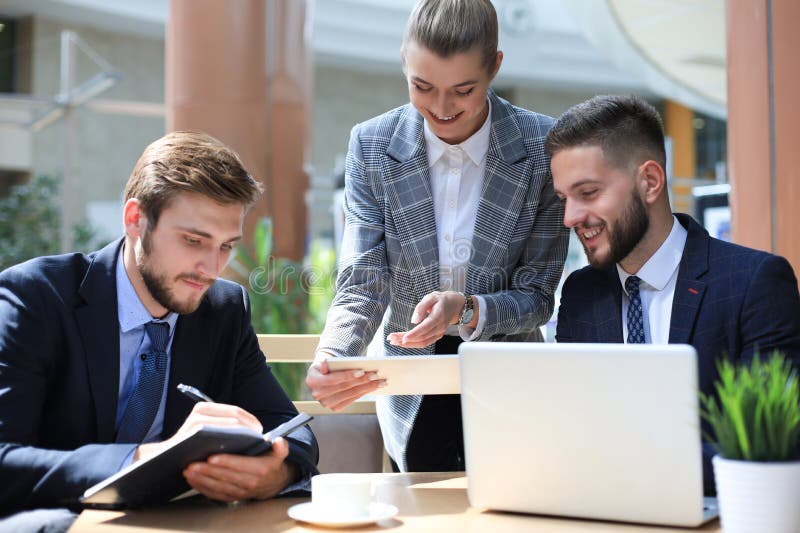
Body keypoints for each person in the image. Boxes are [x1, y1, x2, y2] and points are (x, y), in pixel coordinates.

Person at [0, 131, 318, 530]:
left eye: (225, 246)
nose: (211, 268)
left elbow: (292, 431)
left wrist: (277, 473)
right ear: (136, 220)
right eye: (193, 240)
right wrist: (144, 458)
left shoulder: (224, 310)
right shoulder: (36, 297)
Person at [307, 0, 569, 472]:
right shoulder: (370, 145)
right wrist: (334, 357)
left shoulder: (541, 148)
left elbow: (537, 297)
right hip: (411, 376)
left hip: (507, 372)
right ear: (404, 62)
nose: (442, 109)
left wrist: (468, 308)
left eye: (463, 90)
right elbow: (363, 281)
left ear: (495, 67)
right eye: (422, 87)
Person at [547, 94, 800, 494]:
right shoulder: (581, 294)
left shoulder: (754, 283)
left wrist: (625, 461)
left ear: (649, 181)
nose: (570, 217)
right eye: (565, 198)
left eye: (589, 192)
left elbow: (771, 449)